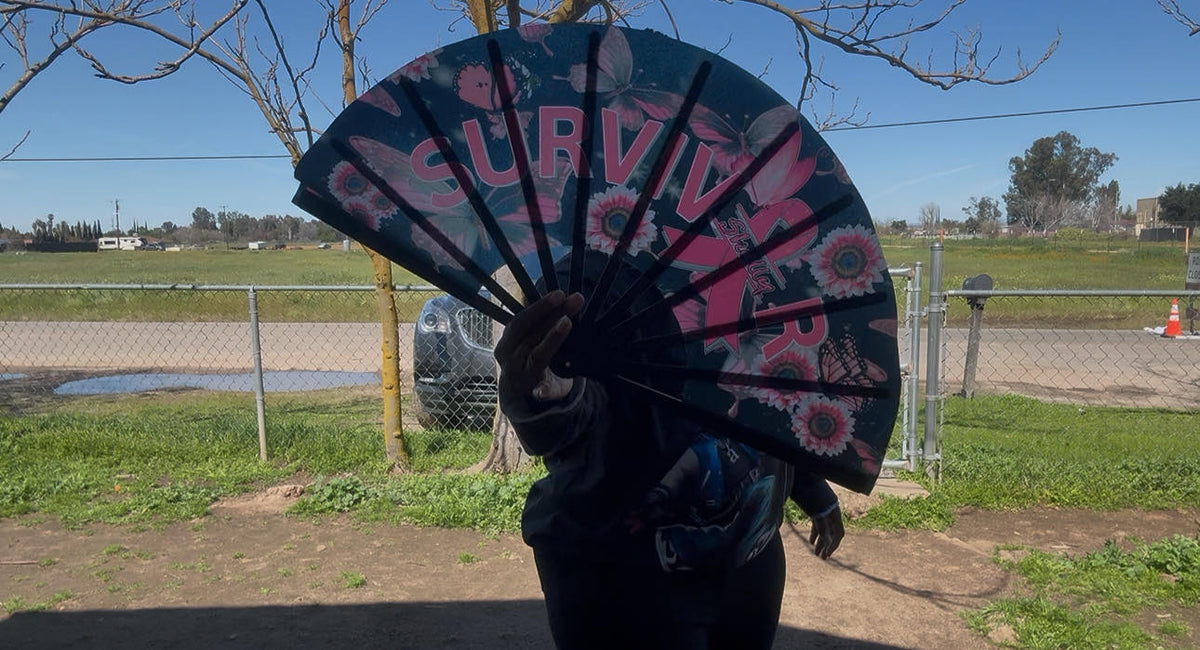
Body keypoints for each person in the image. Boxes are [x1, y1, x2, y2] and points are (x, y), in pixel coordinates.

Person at [496, 268, 846, 649]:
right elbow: (562, 410)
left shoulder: (756, 263)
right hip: (620, 569)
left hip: (749, 556)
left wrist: (812, 489)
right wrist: (546, 394)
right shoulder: (592, 259)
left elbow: (774, 398)